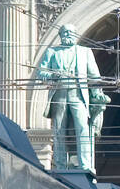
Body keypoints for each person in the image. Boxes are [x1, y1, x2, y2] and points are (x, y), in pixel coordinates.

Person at [38, 25, 103, 172]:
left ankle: (85, 164)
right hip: (59, 95)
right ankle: (60, 165)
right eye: (65, 32)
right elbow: (41, 73)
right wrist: (53, 75)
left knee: (83, 128)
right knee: (59, 130)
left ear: (76, 34)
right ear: (60, 35)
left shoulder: (84, 52)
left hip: (77, 95)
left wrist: (97, 92)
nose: (68, 34)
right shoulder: (52, 52)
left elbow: (94, 76)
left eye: (71, 32)